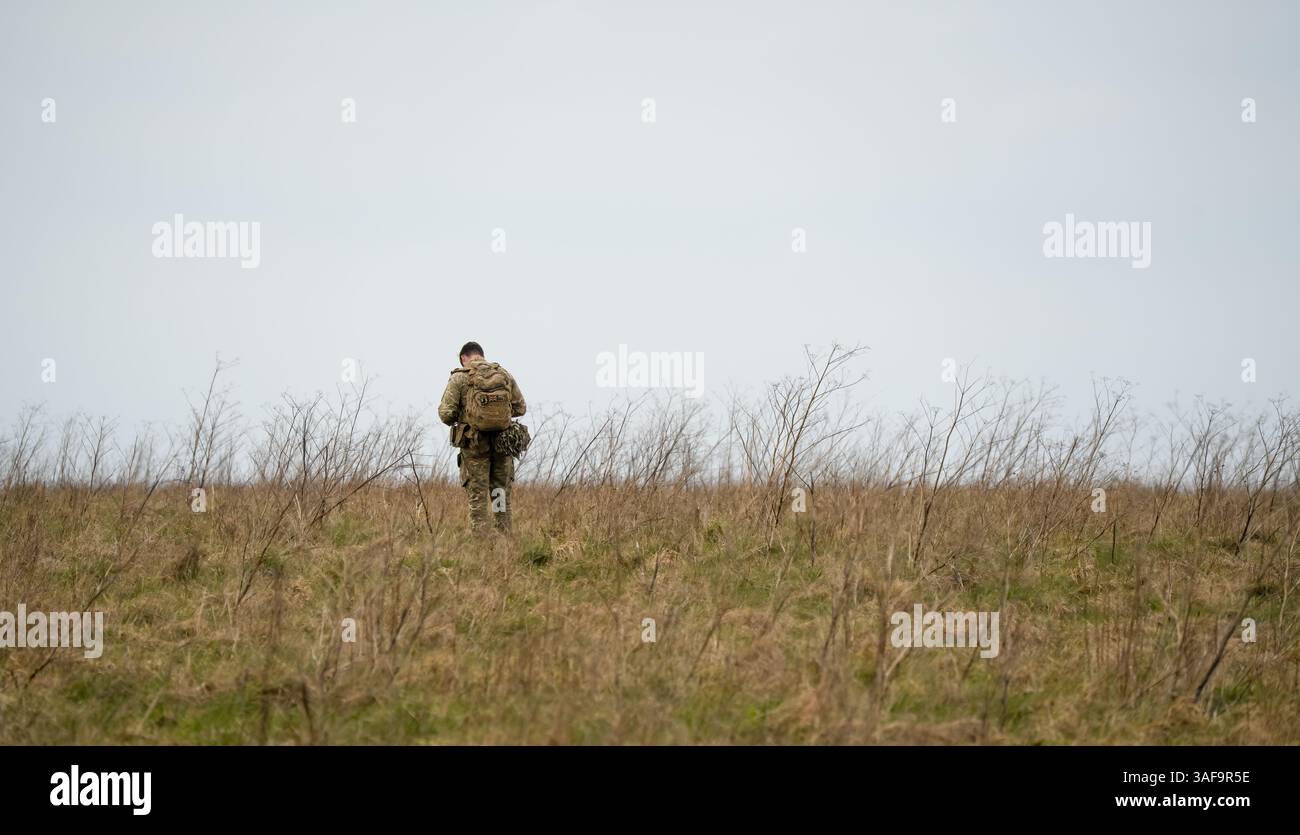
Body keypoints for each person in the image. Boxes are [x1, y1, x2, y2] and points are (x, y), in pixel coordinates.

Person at [438, 341, 526, 534]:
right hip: (502, 445)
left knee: (478, 498)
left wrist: (466, 417)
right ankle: (504, 541)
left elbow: (446, 414)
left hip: (475, 446)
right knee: (499, 494)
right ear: (482, 355)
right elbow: (521, 408)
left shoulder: (460, 378)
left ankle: (482, 547)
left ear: (463, 358)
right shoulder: (503, 374)